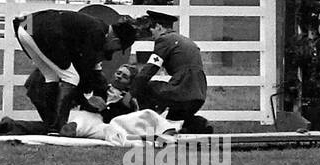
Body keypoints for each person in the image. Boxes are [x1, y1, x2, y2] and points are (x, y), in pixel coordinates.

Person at [11, 7, 139, 134]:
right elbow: (82, 70)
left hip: (26, 25)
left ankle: (51, 125)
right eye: (117, 49)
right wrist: (86, 102)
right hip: (41, 31)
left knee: (51, 76)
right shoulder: (97, 35)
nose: (113, 52)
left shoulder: (97, 26)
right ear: (116, 41)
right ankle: (58, 126)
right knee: (71, 77)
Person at [126, 10, 211, 132]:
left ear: (159, 27)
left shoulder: (165, 40)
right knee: (173, 120)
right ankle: (200, 126)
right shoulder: (185, 40)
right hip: (199, 92)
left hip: (182, 88)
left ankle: (148, 126)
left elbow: (150, 68)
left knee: (145, 87)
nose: (151, 33)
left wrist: (132, 91)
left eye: (151, 29)